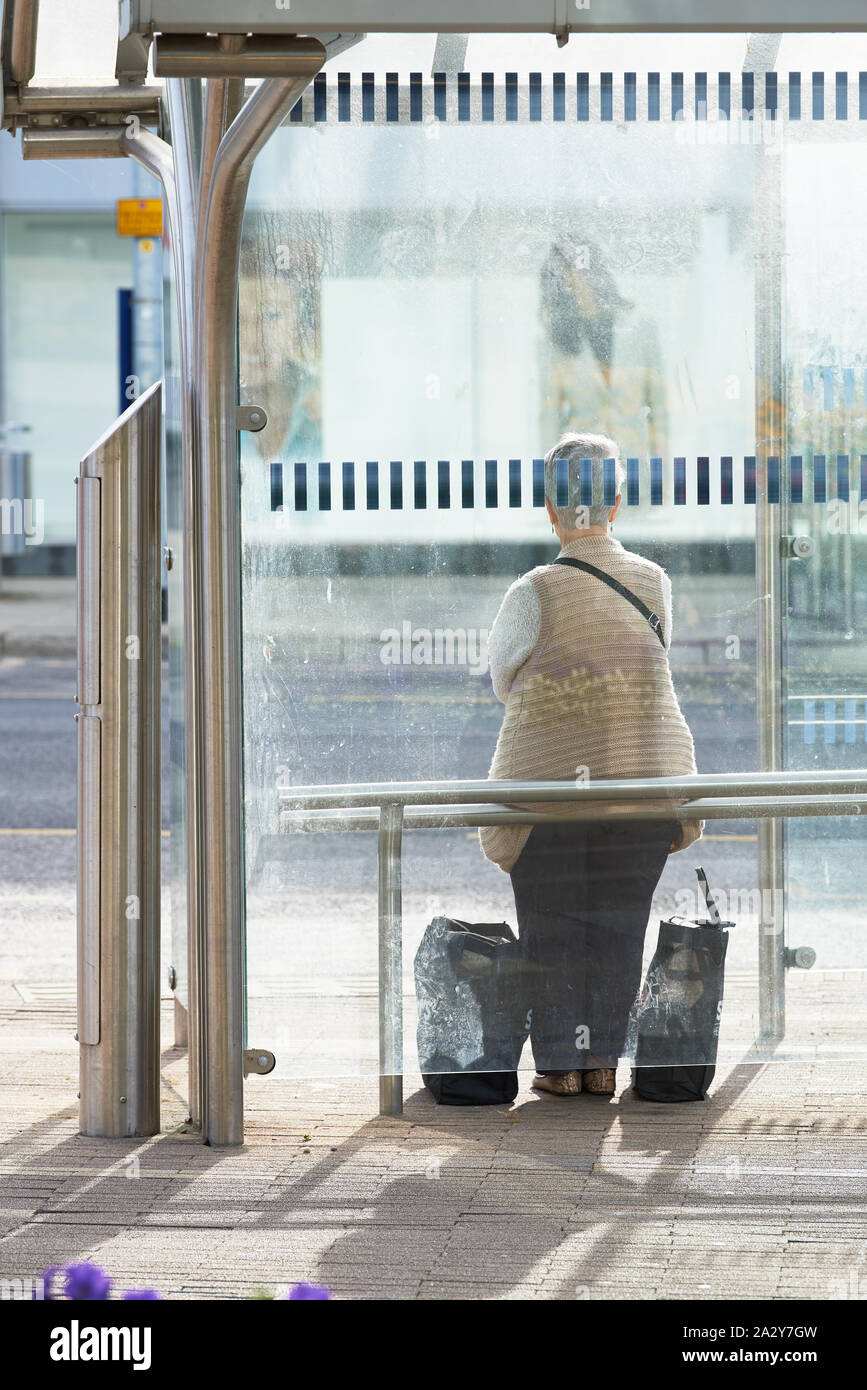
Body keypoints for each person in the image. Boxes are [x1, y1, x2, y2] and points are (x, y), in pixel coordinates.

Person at [480, 432, 703, 1098]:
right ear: (615, 502)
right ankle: (602, 1063)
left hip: (549, 796)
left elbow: (503, 680)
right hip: (637, 784)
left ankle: (560, 1068)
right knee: (617, 929)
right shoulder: (652, 582)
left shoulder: (535, 590)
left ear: (550, 508)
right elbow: (644, 661)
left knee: (549, 931)